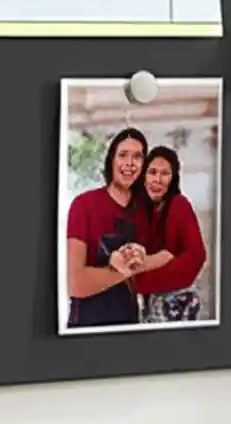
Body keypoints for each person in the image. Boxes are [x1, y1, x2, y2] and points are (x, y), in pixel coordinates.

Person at [65, 128, 148, 328]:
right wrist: (124, 270)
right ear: (111, 160)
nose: (130, 163)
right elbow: (75, 282)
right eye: (123, 155)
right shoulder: (84, 205)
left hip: (129, 325)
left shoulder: (146, 212)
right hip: (87, 326)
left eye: (137, 157)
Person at [128, 146, 206, 323]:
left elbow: (197, 255)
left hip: (177, 301)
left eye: (165, 174)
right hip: (149, 301)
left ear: (173, 178)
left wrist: (142, 279)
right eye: (152, 172)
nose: (157, 180)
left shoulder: (179, 205)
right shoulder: (143, 209)